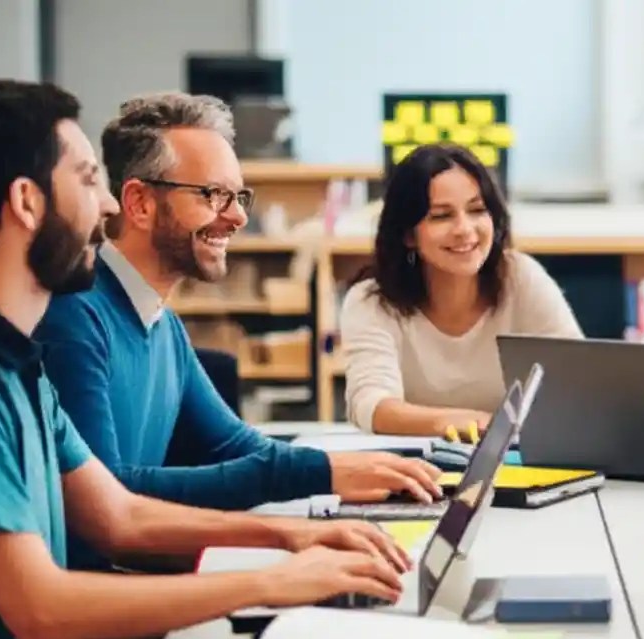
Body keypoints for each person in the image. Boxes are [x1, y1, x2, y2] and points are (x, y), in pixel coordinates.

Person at [0, 79, 407, 639]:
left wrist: (293, 535)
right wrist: (269, 580)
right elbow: (42, 612)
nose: (105, 208)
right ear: (27, 201)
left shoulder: (21, 365)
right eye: (87, 180)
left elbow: (120, 516)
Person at [32, 92, 443, 569]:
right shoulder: (74, 320)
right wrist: (319, 474)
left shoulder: (161, 324)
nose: (238, 217)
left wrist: (379, 466)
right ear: (140, 204)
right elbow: (110, 495)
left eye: (238, 196)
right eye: (213, 195)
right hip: (105, 600)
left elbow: (235, 445)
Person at [339, 143, 581, 439]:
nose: (465, 229)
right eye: (441, 216)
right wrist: (477, 423)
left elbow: (577, 384)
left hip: (515, 464)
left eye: (477, 210)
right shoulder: (371, 302)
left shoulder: (519, 277)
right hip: (416, 472)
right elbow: (373, 407)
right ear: (408, 234)